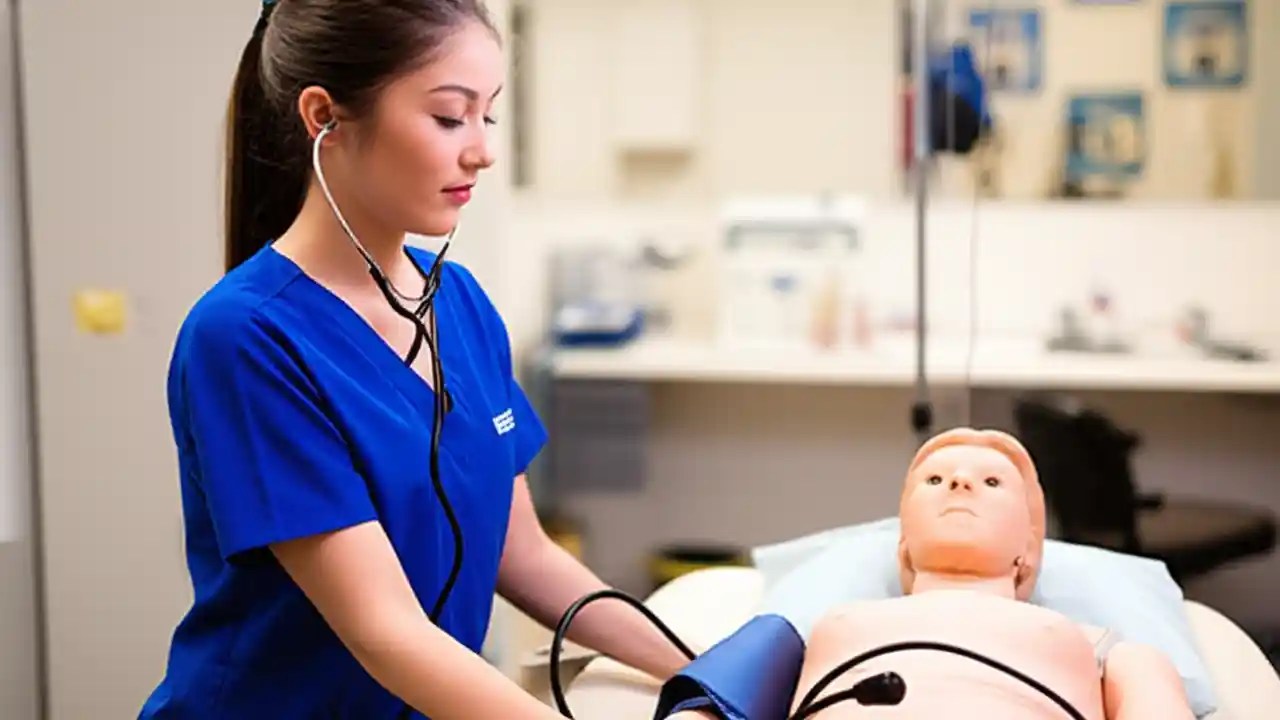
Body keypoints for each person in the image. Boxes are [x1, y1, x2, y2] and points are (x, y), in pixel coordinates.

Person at [139, 1, 689, 717]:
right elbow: (386, 632)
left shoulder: (456, 301)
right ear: (323, 118)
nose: (483, 150)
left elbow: (523, 556)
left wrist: (708, 670)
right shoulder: (245, 338)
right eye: (449, 117)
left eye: (488, 116)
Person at [662, 428, 1193, 719]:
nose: (959, 485)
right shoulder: (812, 630)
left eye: (990, 482)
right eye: (935, 478)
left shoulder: (1105, 650)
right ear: (904, 542)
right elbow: (710, 712)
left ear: (1028, 548)